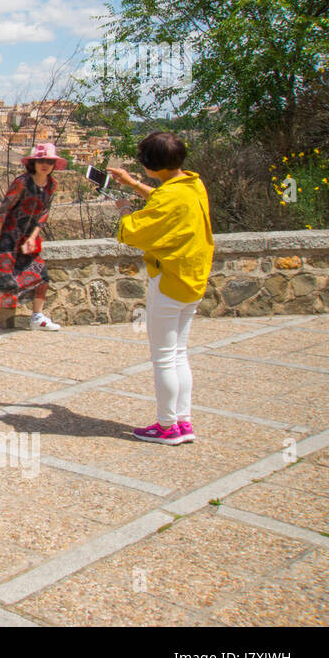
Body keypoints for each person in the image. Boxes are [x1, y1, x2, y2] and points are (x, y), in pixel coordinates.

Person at [110, 131, 213, 445]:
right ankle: (183, 421)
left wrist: (125, 209)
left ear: (149, 165)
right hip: (193, 279)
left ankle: (167, 426)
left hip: (170, 281)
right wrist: (131, 183)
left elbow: (131, 233)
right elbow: (162, 199)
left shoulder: (169, 197)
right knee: (180, 353)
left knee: (164, 357)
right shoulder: (192, 184)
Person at [0, 143, 63, 342]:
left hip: (28, 239)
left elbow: (44, 213)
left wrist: (33, 237)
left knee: (41, 276)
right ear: (33, 163)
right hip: (9, 236)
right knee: (2, 279)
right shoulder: (22, 182)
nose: (45, 164)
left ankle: (37, 317)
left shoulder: (52, 185)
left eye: (49, 161)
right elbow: (4, 209)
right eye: (41, 160)